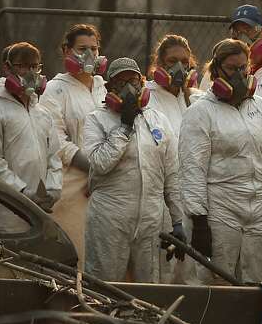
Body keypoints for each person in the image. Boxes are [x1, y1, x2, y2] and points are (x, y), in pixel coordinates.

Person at [180, 38, 262, 284]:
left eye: (243, 68)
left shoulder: (261, 107)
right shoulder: (200, 112)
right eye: (232, 69)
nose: (239, 75)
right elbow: (193, 169)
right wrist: (199, 220)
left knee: (255, 283)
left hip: (259, 212)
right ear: (216, 70)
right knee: (218, 283)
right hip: (220, 211)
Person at [81, 57, 184, 283]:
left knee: (149, 287)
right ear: (109, 87)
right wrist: (124, 127)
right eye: (121, 82)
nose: (129, 87)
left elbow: (172, 174)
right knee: (104, 285)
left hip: (151, 219)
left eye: (133, 81)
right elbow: (100, 164)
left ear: (142, 82)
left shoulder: (158, 119)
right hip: (110, 217)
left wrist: (178, 221)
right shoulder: (96, 120)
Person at [0, 42, 62, 226]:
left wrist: (53, 189)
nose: (30, 73)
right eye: (22, 66)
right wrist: (22, 192)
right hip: (6, 209)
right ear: (7, 68)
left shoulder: (43, 114)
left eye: (34, 66)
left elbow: (54, 157)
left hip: (41, 208)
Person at [40, 23, 104, 265]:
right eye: (82, 49)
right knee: (78, 253)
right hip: (73, 184)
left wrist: (105, 170)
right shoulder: (55, 89)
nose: (89, 55)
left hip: (106, 182)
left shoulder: (104, 87)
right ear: (66, 51)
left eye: (93, 49)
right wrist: (93, 168)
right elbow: (56, 140)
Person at [146, 34, 200, 282]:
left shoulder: (194, 99)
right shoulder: (147, 96)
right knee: (162, 270)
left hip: (192, 194)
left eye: (184, 62)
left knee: (190, 270)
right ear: (158, 64)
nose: (179, 68)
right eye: (171, 61)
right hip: (160, 195)